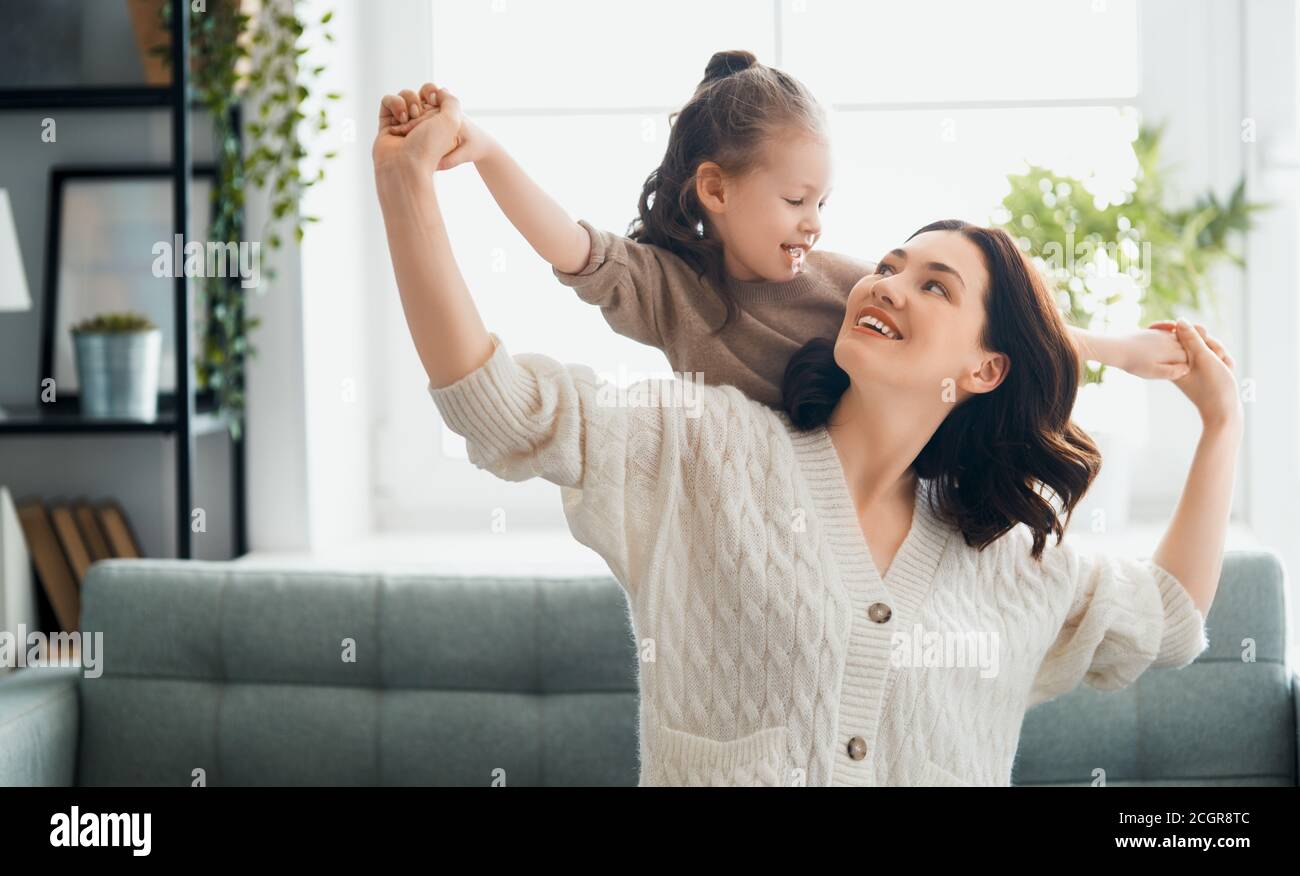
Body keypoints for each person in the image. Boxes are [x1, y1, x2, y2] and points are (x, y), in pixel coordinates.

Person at [373, 85, 1241, 787]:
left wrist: (1220, 425)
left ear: (986, 370)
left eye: (935, 288)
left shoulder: (1007, 557)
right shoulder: (706, 449)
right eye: (890, 267)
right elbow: (497, 403)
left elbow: (1166, 622)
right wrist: (407, 184)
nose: (886, 285)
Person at [381, 51, 1192, 411]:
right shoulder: (670, 294)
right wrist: (483, 150)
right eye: (798, 200)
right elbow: (570, 244)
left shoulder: (841, 280)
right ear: (717, 190)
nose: (812, 224)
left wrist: (1115, 349)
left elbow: (986, 322)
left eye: (823, 203)